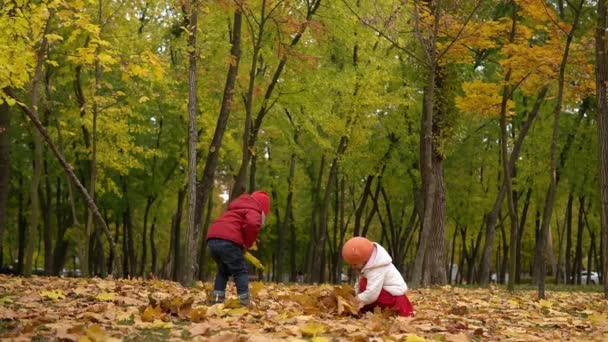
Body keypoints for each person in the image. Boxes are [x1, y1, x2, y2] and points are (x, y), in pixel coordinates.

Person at [206, 190, 270, 306]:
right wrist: (247, 243)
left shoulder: (234, 209)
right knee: (240, 271)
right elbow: (251, 225)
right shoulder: (254, 210)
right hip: (228, 241)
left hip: (212, 239)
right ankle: (244, 301)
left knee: (223, 270)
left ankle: (217, 299)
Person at [341, 236, 414, 317]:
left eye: (355, 264)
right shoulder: (368, 267)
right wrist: (355, 293)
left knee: (364, 284)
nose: (353, 267)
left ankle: (374, 309)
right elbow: (359, 284)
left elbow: (372, 293)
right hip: (385, 296)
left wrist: (357, 299)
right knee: (363, 284)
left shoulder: (377, 269)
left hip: (395, 300)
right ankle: (368, 309)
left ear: (365, 259)